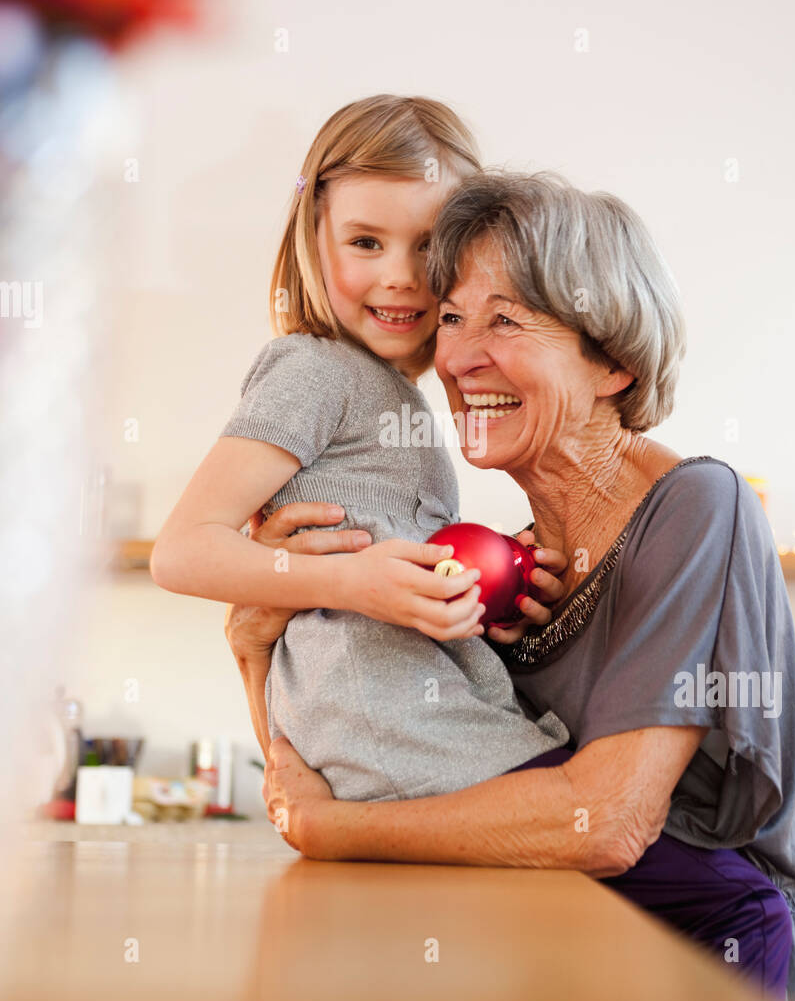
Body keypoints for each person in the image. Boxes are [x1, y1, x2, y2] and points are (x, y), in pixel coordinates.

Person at [228, 170, 795, 1001]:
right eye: (452, 318)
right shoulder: (513, 565)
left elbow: (604, 822)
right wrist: (261, 629)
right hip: (584, 975)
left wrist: (336, 833)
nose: (458, 358)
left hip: (736, 984)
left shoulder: (696, 507)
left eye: (506, 319)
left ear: (614, 363)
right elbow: (350, 759)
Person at [150, 95, 571, 805]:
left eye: (430, 244)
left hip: (413, 726)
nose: (402, 275)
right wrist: (350, 584)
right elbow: (182, 551)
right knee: (633, 837)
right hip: (405, 738)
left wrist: (481, 589)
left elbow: (376, 556)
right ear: (314, 241)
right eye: (365, 242)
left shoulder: (388, 393)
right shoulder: (315, 370)